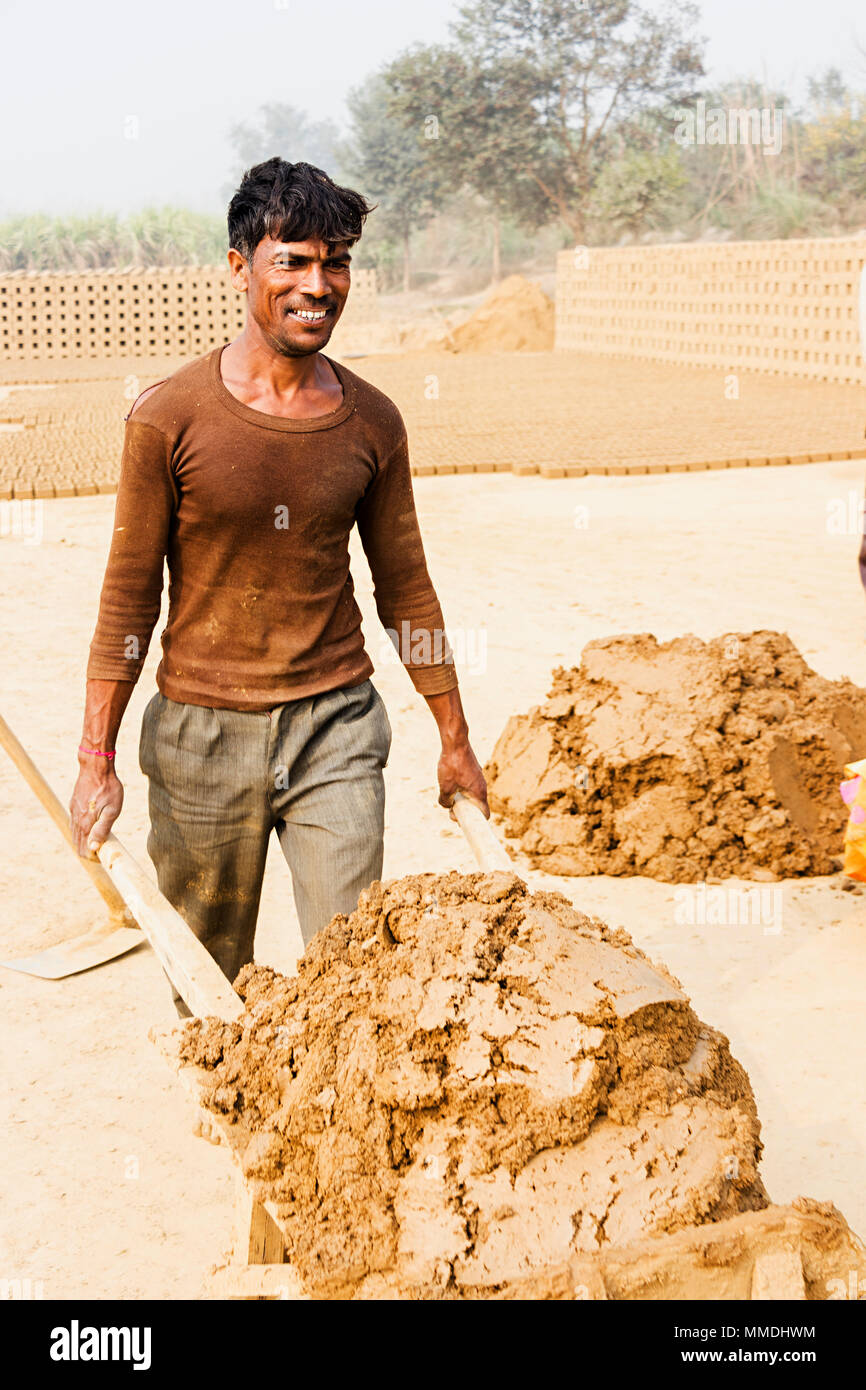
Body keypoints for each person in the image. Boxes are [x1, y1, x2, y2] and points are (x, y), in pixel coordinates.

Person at [69, 157, 488, 1014]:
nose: (317, 284)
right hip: (201, 737)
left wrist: (454, 736)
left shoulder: (372, 420)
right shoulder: (168, 416)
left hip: (335, 725)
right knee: (210, 984)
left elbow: (406, 587)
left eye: (335, 262)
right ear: (240, 268)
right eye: (290, 260)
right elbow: (127, 597)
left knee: (351, 968)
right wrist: (97, 758)